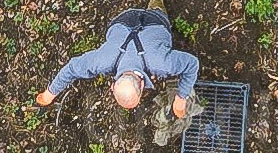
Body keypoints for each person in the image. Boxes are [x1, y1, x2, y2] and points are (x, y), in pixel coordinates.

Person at [38, 6, 201, 121]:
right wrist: (49, 93)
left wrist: (181, 97)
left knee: (158, 11)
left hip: (154, 21)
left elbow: (192, 64)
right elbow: (72, 68)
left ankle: (156, 5)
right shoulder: (101, 60)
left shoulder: (162, 64)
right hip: (123, 19)